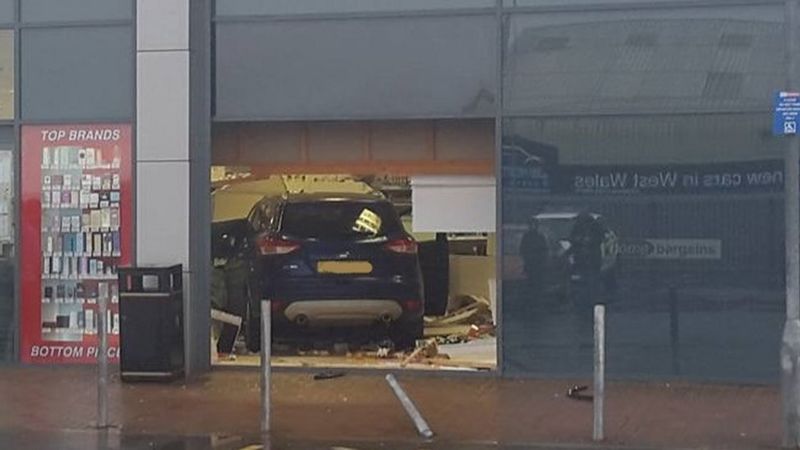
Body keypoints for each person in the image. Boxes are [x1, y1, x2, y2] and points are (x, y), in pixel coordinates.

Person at [519, 217, 549, 297]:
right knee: (530, 283)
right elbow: (522, 250)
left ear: (537, 226)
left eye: (534, 224)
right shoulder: (526, 237)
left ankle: (538, 297)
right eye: (531, 224)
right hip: (530, 264)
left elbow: (545, 250)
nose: (533, 226)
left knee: (539, 284)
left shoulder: (540, 237)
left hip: (539, 265)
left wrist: (543, 261)